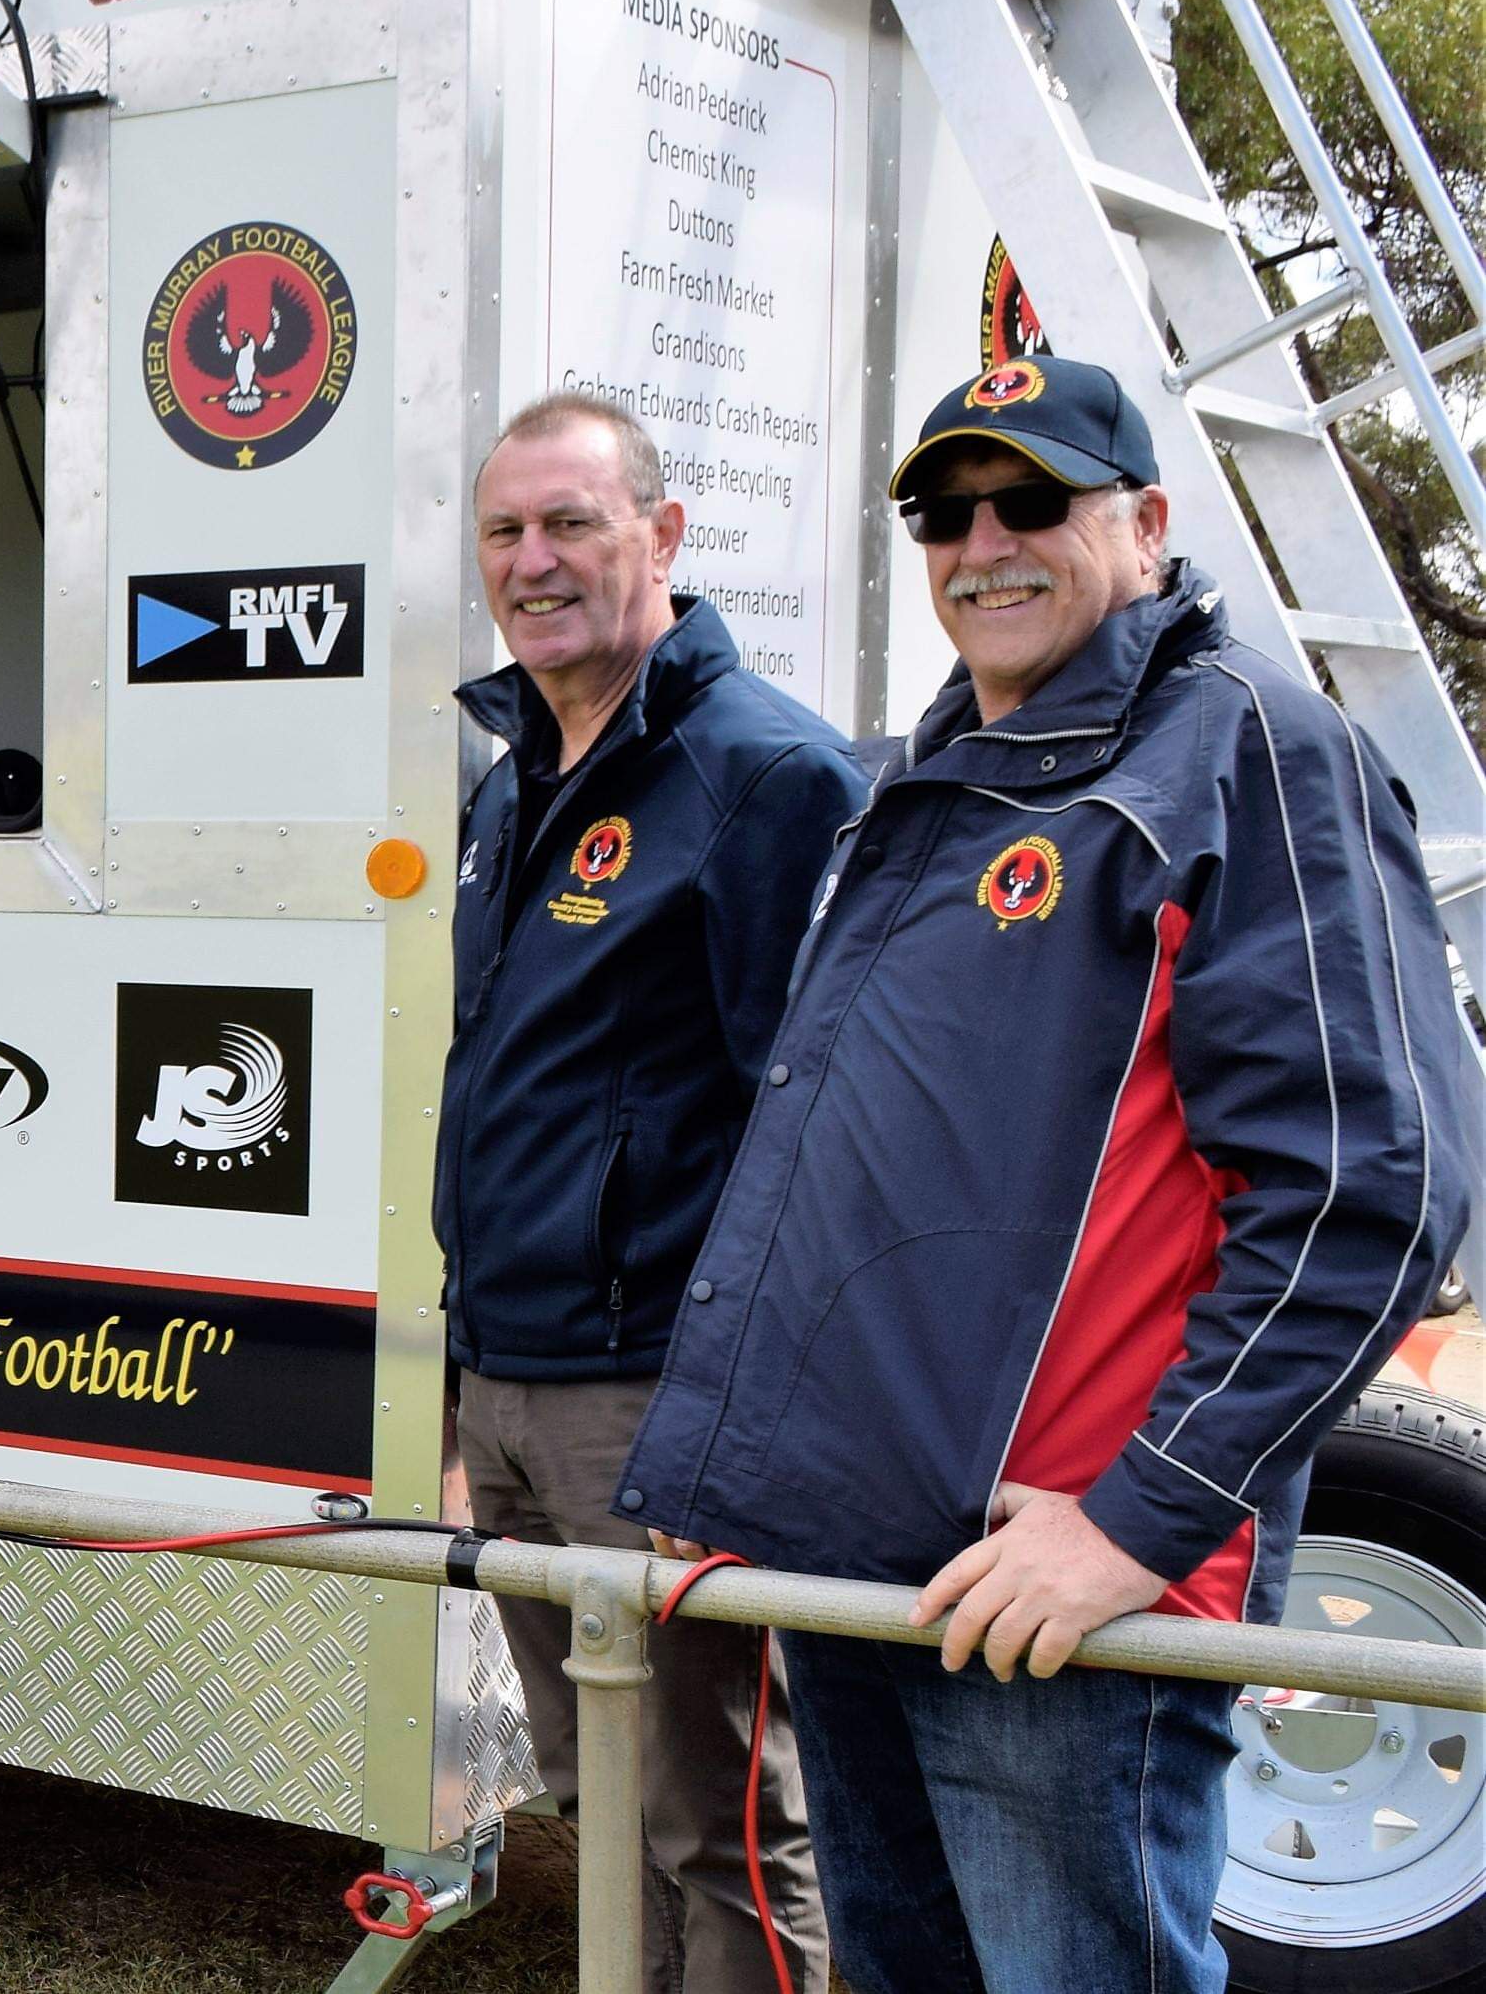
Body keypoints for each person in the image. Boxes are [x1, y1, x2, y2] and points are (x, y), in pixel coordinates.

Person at [621, 355, 1478, 1994]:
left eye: (1031, 500)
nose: (981, 540)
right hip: (866, 1568)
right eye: (943, 511)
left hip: (1060, 1598)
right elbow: (844, 1167)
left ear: (1143, 524)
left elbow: (1368, 1195)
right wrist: (745, 1468)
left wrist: (1131, 1523)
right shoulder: (924, 786)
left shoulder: (1248, 755)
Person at [437, 394, 854, 1993]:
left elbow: (804, 1136)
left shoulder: (761, 776)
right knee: (588, 1795)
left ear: (661, 536)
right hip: (515, 1379)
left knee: (718, 1821)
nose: (530, 562)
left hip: (654, 1404)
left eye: (571, 523)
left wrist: (723, 1422)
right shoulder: (510, 779)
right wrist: (475, 1381)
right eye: (503, 531)